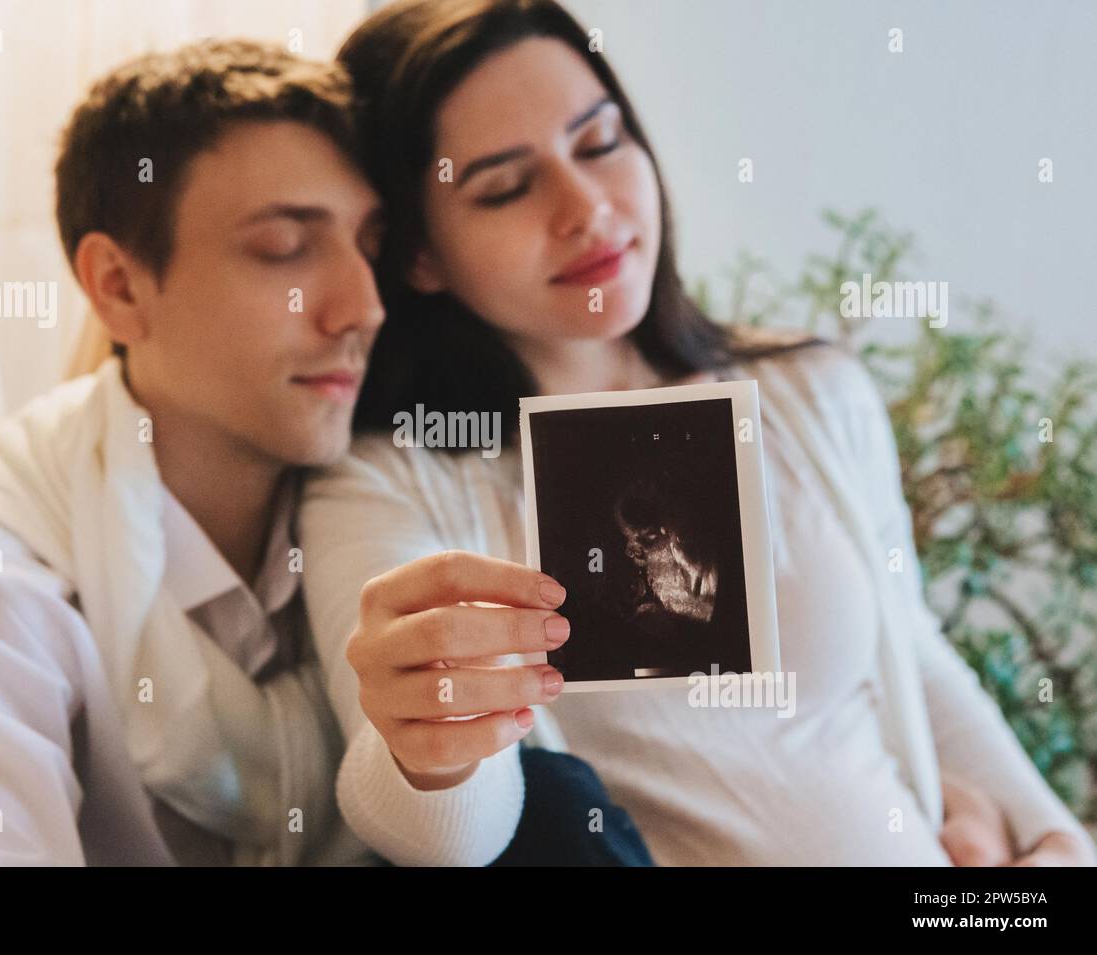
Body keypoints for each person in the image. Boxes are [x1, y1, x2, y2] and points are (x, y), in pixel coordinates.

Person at [298, 0, 1095, 866]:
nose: (587, 208)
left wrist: (1053, 842)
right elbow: (432, 832)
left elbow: (915, 656)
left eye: (600, 143)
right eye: (506, 188)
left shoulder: (811, 392)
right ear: (419, 254)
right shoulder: (387, 485)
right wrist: (429, 750)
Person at [0, 39, 389, 865]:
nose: (361, 308)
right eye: (284, 248)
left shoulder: (397, 512)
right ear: (118, 287)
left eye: (370, 245)